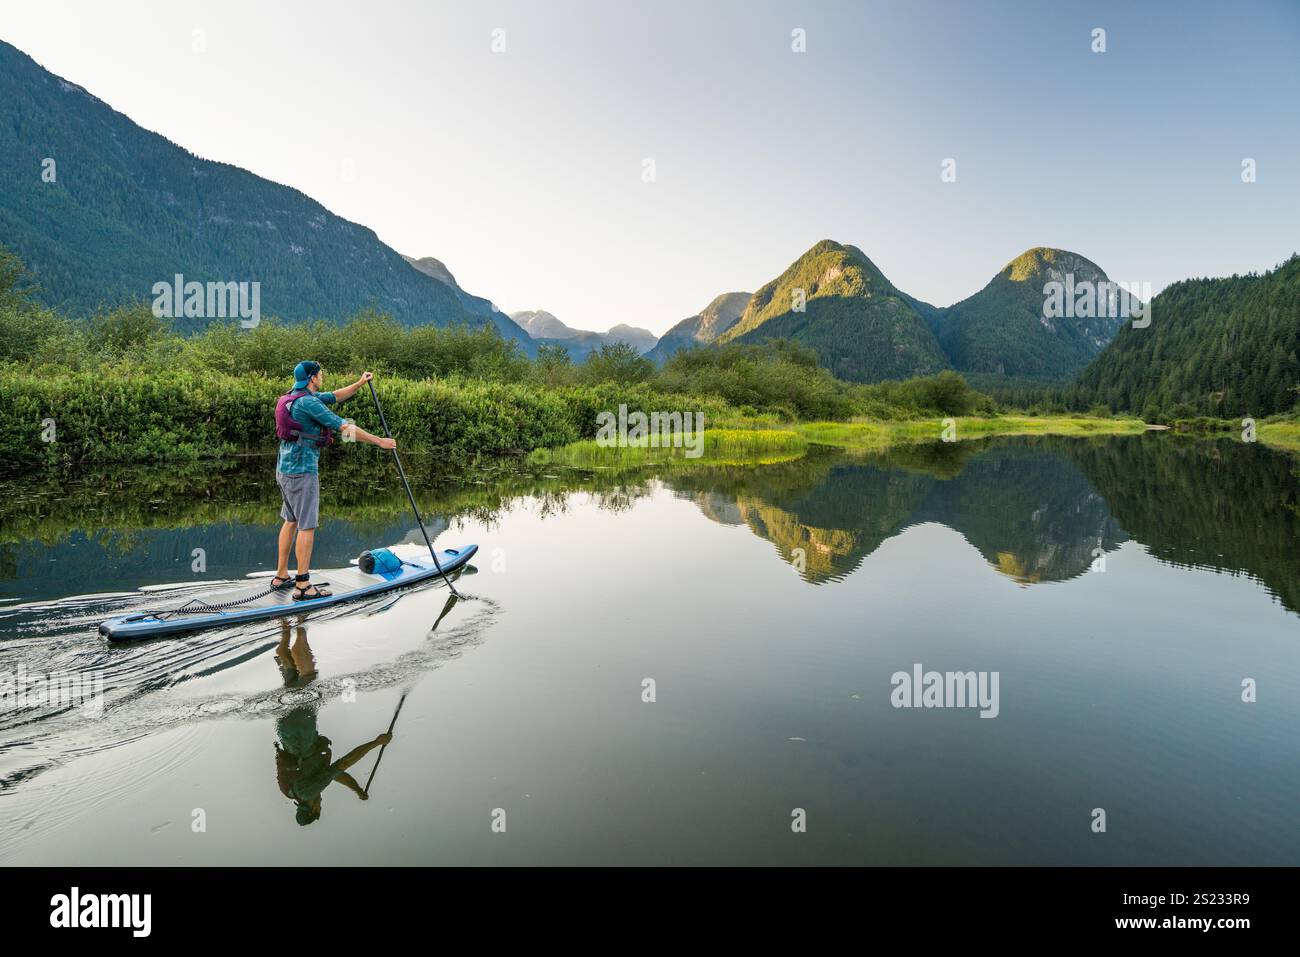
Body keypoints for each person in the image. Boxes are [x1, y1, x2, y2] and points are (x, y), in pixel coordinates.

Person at [273, 361, 395, 600]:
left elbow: (335, 396)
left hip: (284, 470)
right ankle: (303, 585)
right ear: (312, 378)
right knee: (306, 526)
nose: (322, 377)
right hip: (303, 471)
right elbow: (344, 427)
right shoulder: (309, 403)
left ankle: (281, 576)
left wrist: (360, 383)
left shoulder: (293, 397)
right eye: (320, 375)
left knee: (290, 521)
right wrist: (380, 441)